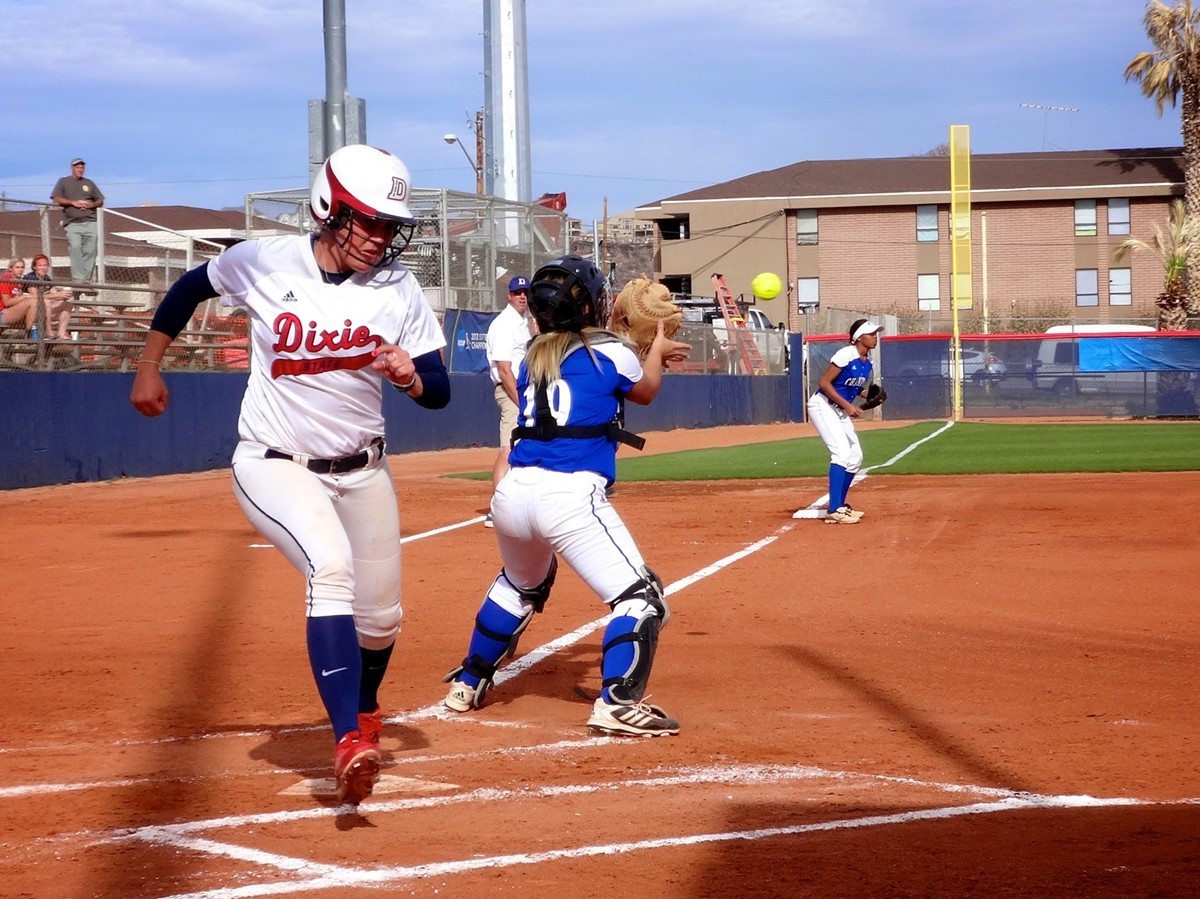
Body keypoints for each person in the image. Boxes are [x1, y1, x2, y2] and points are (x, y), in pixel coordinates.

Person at [130, 144, 451, 807]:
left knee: (383, 616)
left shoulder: (399, 289)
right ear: (328, 208)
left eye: (389, 225)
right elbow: (192, 286)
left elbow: (440, 387)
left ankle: (361, 710)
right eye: (366, 220)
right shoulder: (265, 261)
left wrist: (411, 376)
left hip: (364, 469)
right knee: (329, 567)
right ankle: (346, 739)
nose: (379, 236)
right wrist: (149, 363)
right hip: (274, 462)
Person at [443, 254, 691, 737]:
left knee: (520, 585)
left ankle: (468, 682)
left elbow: (592, 367)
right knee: (642, 599)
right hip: (569, 495)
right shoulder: (611, 352)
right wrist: (654, 349)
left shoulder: (531, 354)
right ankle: (618, 701)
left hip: (513, 494)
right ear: (590, 305)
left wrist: (644, 348)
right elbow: (646, 392)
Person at [806, 318, 884, 524]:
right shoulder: (846, 354)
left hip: (837, 409)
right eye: (871, 334)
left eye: (876, 334)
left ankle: (840, 504)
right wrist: (849, 406)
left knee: (855, 456)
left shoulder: (867, 362)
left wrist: (868, 395)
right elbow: (824, 383)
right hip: (823, 405)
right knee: (840, 452)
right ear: (859, 337)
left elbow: (851, 387)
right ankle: (834, 509)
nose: (875, 338)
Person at [482, 274, 534, 525]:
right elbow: (504, 369)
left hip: (524, 392)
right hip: (510, 391)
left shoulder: (523, 323)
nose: (523, 296)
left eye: (525, 293)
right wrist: (522, 401)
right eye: (517, 293)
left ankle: (515, 503)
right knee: (508, 448)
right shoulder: (504, 323)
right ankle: (496, 509)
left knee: (523, 448)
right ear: (509, 295)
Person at [50, 158, 105, 285]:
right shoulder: (64, 181)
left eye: (82, 167)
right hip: (72, 222)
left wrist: (91, 205)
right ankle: (78, 278)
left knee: (90, 250)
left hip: (90, 221)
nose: (80, 169)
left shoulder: (89, 183)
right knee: (75, 247)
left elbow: (100, 200)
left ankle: (86, 279)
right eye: (77, 167)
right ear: (72, 168)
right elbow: (56, 198)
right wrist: (72, 202)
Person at [22, 254, 74, 339]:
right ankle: (48, 332)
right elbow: (35, 296)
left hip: (45, 310)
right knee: (47, 302)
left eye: (45, 265)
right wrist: (57, 295)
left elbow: (56, 295)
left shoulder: (46, 278)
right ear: (34, 267)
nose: (43, 268)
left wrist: (64, 294)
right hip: (32, 311)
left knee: (67, 304)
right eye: (40, 265)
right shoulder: (30, 277)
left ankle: (61, 333)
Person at [1, 258, 39, 332]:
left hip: (13, 311)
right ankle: (30, 333)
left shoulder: (19, 282)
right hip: (2, 313)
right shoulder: (6, 279)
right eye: (17, 267)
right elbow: (7, 302)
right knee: (33, 302)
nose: (20, 270)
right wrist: (24, 297)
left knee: (40, 305)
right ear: (10, 268)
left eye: (22, 267)